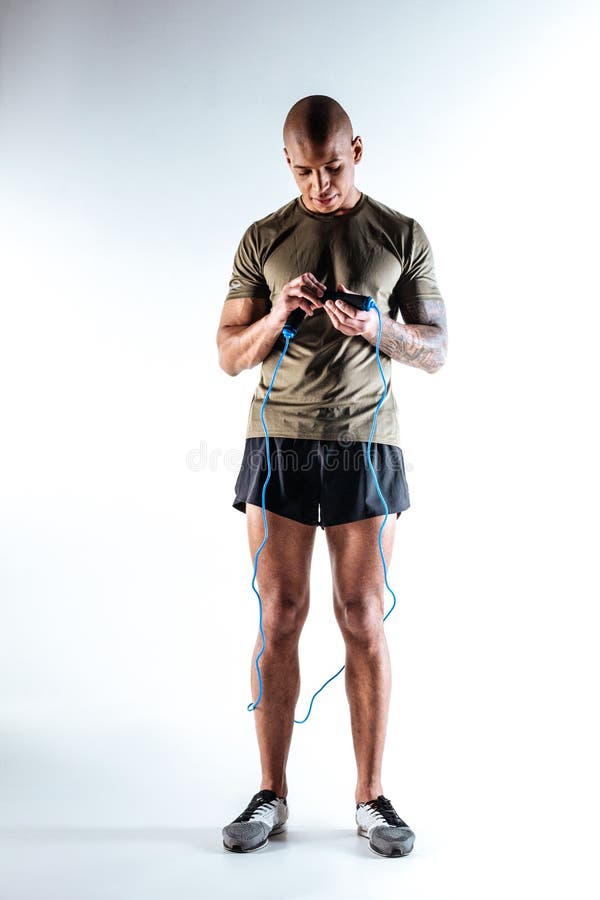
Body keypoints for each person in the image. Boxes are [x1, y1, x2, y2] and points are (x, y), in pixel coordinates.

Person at [216, 95, 447, 857]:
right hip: (278, 439)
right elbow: (227, 353)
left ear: (358, 149)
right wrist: (279, 313)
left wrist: (379, 326)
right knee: (279, 614)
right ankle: (270, 795)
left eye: (334, 167)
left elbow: (438, 347)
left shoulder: (401, 233)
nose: (321, 184)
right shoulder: (264, 237)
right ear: (289, 162)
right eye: (306, 170)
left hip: (366, 444)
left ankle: (371, 798)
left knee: (362, 614)